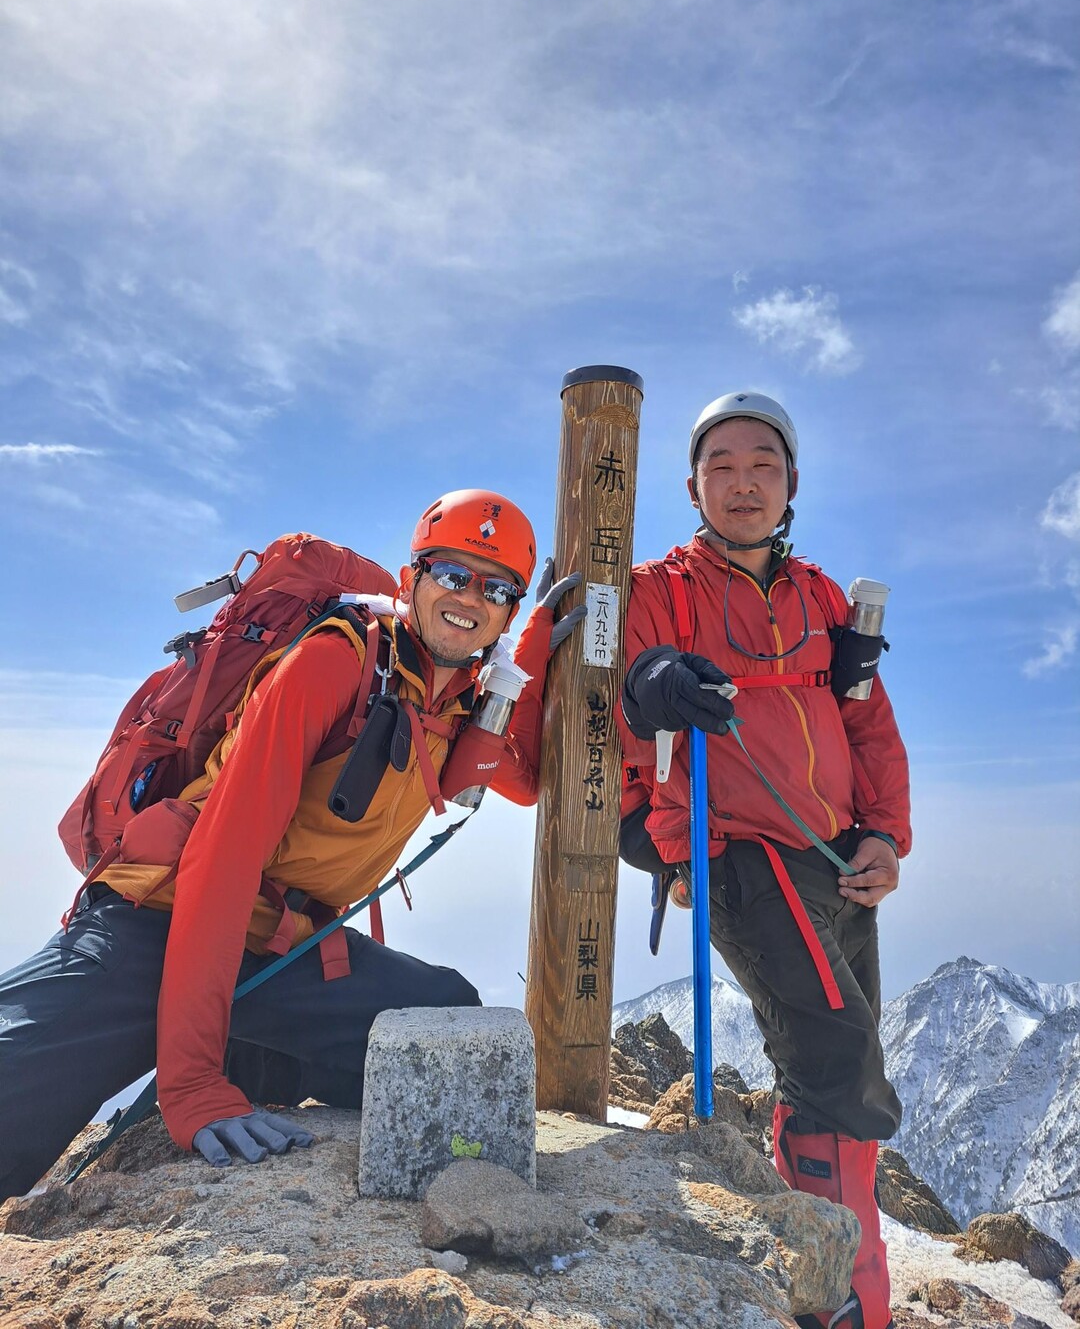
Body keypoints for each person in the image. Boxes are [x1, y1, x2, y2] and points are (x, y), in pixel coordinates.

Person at [0, 489, 581, 1200]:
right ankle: (205, 1048)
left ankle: (247, 1053)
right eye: (454, 575)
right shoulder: (332, 664)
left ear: (509, 611)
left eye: (495, 589)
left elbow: (522, 778)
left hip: (283, 946)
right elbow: (222, 862)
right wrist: (191, 1084)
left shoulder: (460, 699)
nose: (470, 599)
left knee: (450, 1031)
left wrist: (535, 654)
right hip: (159, 918)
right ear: (412, 579)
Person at [618, 394, 909, 1329]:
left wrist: (885, 833)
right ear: (693, 487)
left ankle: (822, 1254)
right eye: (723, 467)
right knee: (835, 1053)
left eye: (763, 466)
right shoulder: (659, 589)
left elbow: (866, 721)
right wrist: (653, 688)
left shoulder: (822, 597)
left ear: (790, 484)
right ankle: (847, 1299)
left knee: (843, 1051)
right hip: (737, 851)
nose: (743, 483)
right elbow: (617, 700)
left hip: (837, 854)